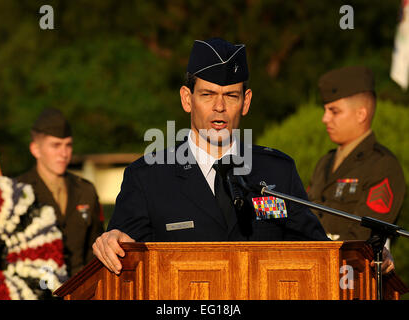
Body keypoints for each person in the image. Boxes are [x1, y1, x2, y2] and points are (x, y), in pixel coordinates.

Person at [93, 39, 393, 276]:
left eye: (231, 96)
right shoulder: (148, 177)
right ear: (187, 99)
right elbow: (123, 260)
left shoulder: (277, 172)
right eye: (208, 95)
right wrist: (111, 241)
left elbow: (317, 253)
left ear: (245, 102)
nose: (219, 108)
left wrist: (364, 259)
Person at [308, 66, 406, 246]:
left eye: (334, 111)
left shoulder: (382, 166)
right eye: (325, 110)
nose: (325, 118)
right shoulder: (324, 163)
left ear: (361, 114)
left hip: (353, 271)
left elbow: (364, 235)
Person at [17, 108, 104, 277]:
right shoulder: (17, 192)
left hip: (79, 289)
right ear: (35, 149)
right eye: (55, 145)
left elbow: (96, 247)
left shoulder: (85, 190)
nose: (64, 153)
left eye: (68, 145)